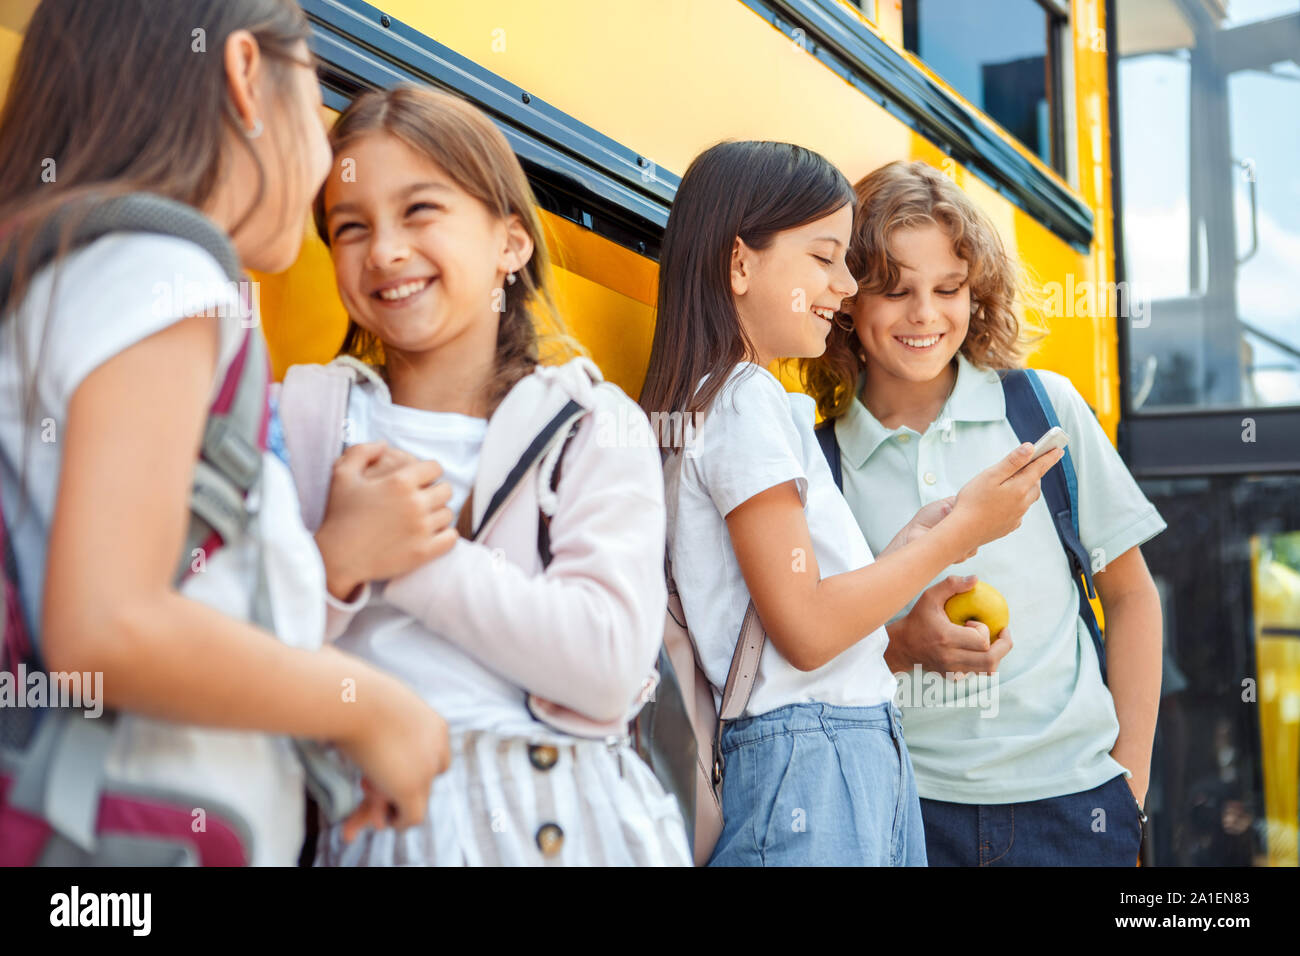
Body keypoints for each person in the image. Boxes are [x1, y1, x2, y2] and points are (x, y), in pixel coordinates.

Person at [0, 0, 449, 865]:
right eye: (316, 96)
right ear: (246, 75)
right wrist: (369, 704)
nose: (323, 164)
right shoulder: (165, 271)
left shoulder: (60, 266)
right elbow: (107, 623)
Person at [638, 140, 1062, 866]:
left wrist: (907, 544)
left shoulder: (719, 401)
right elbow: (804, 630)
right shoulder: (747, 402)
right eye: (825, 257)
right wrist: (960, 533)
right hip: (815, 757)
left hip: (833, 750)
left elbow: (789, 603)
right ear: (740, 264)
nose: (844, 286)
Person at [301, 84, 691, 866]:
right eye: (351, 227)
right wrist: (335, 563)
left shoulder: (592, 422)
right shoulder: (307, 414)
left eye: (419, 212)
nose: (384, 250)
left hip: (566, 824)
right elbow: (243, 638)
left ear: (511, 242)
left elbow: (609, 666)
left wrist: (412, 557)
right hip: (377, 828)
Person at [802, 159, 1165, 865]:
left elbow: (1131, 596)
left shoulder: (1043, 408)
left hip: (1076, 805)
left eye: (948, 289)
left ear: (978, 291)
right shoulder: (822, 462)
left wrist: (1131, 782)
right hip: (906, 809)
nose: (925, 315)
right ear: (848, 299)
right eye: (895, 290)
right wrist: (903, 643)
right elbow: (818, 651)